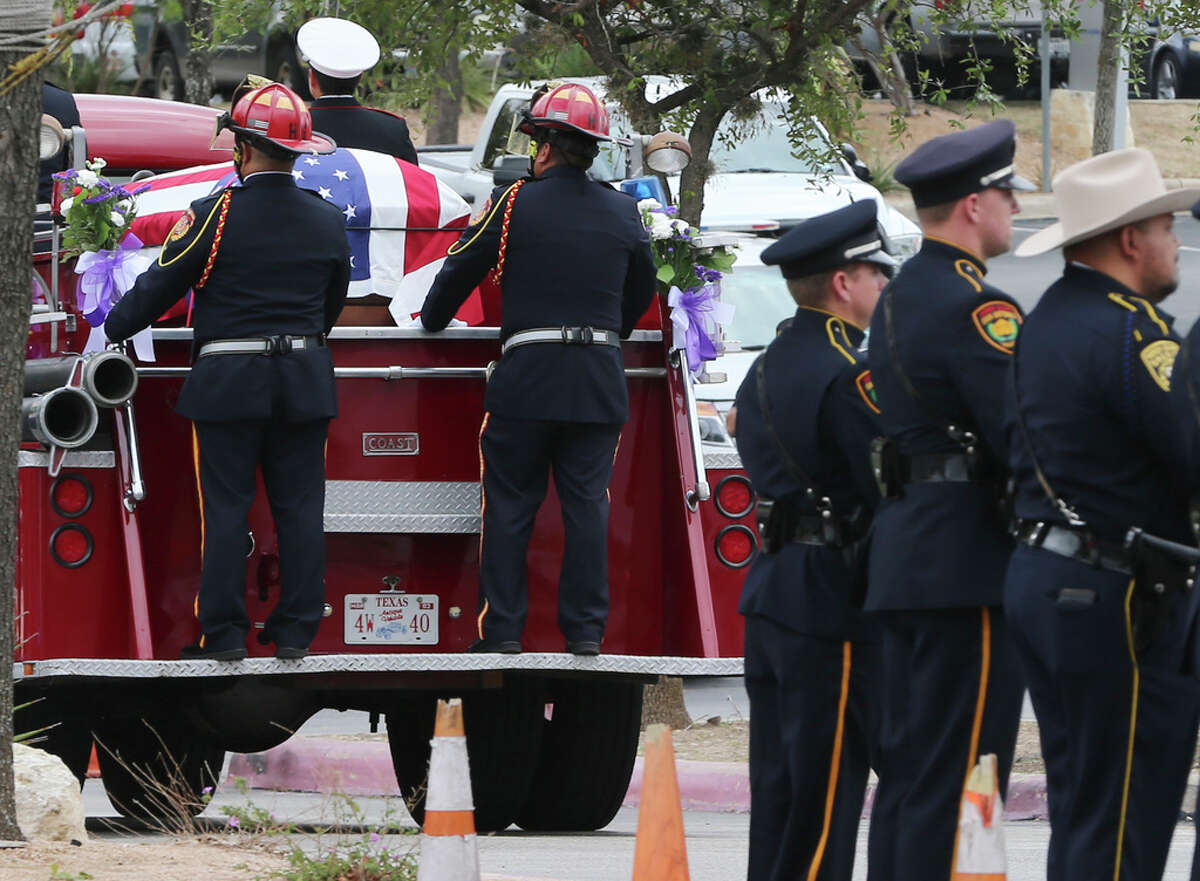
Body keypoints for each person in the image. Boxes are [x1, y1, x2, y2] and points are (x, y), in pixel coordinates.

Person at [104, 81, 350, 660]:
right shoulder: (326, 219)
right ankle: (294, 634)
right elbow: (331, 304)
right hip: (304, 381)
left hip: (230, 387)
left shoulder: (213, 214)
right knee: (300, 511)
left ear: (241, 148)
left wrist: (112, 326)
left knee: (226, 510)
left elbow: (158, 287)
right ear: (298, 151)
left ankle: (224, 634)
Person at [1007, 148, 1200, 880]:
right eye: (1165, 226)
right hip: (1115, 590)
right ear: (1129, 240)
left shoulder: (1045, 319)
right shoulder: (1132, 332)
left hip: (1052, 573)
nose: (1174, 242)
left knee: (1088, 809)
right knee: (1125, 815)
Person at [416, 82, 656, 655]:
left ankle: (501, 631)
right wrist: (608, 336)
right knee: (587, 507)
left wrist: (432, 319)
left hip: (528, 381)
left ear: (544, 147)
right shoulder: (625, 211)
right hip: (597, 379)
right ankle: (586, 633)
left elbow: (461, 267)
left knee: (510, 507)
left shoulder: (515, 200)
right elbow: (641, 288)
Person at [863, 119, 1033, 881]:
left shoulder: (897, 296)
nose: (1017, 211)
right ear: (973, 204)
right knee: (966, 764)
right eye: (1007, 195)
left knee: (911, 771)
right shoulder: (976, 308)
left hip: (905, 549)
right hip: (967, 559)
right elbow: (1022, 434)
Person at [733, 200, 891, 881]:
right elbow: (884, 486)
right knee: (827, 791)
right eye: (876, 273)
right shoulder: (849, 373)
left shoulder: (764, 366)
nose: (884, 287)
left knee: (778, 791)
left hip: (772, 588)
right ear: (843, 282)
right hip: (829, 595)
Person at [296, 16, 419, 166]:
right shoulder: (392, 128)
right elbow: (412, 182)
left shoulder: (292, 128)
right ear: (360, 77)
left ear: (312, 78)